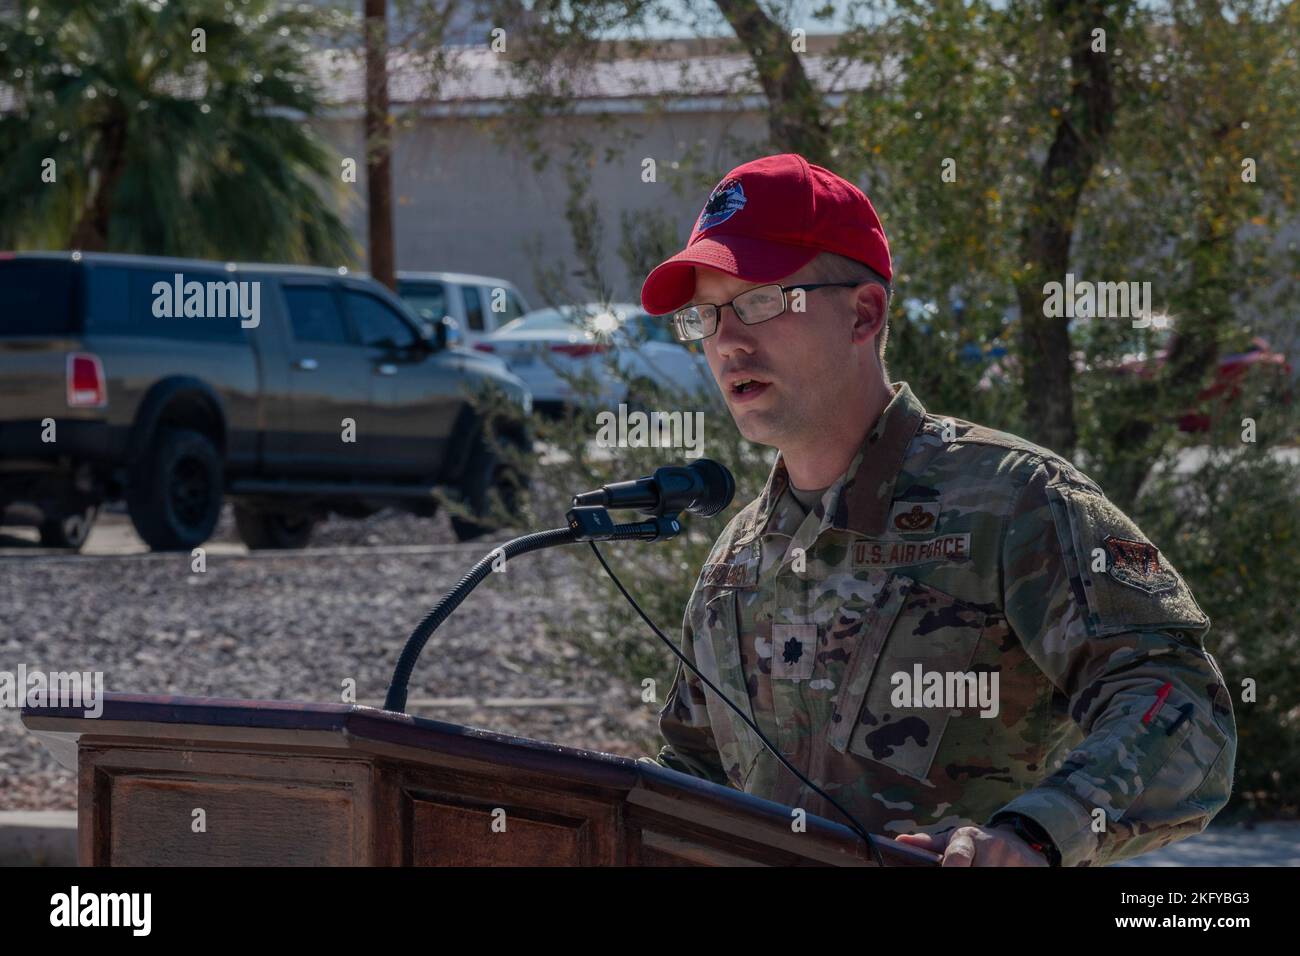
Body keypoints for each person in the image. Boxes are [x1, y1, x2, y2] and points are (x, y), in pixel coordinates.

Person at [638, 153, 1237, 867]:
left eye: (763, 301)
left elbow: (1182, 707)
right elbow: (692, 778)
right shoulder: (736, 561)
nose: (727, 341)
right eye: (705, 314)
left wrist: (1036, 835)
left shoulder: (1011, 501)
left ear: (864, 313)